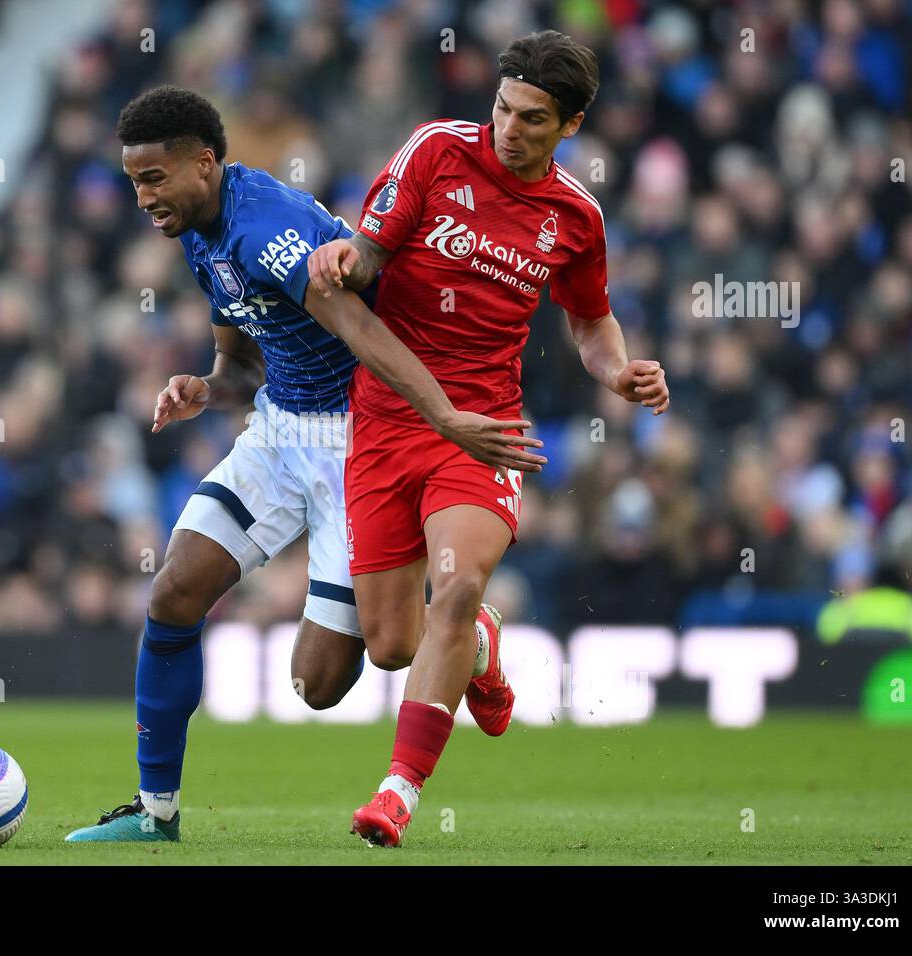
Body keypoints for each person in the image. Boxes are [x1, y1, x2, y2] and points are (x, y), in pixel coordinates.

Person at [66, 86, 531, 843]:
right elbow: (241, 358)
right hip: (281, 430)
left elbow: (362, 330)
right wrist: (207, 388)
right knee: (174, 592)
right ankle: (155, 815)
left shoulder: (265, 229)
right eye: (133, 181)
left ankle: (472, 638)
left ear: (205, 164)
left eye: (153, 178)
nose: (142, 197)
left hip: (362, 436)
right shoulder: (193, 227)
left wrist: (444, 416)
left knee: (334, 677)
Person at [306, 31, 671, 847]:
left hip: (482, 430)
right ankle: (480, 651)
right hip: (386, 421)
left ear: (569, 125)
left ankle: (398, 793)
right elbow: (368, 255)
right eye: (503, 108)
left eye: (533, 119)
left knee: (459, 582)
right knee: (393, 644)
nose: (508, 128)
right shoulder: (436, 150)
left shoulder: (576, 215)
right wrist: (342, 261)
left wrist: (616, 372)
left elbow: (590, 321)